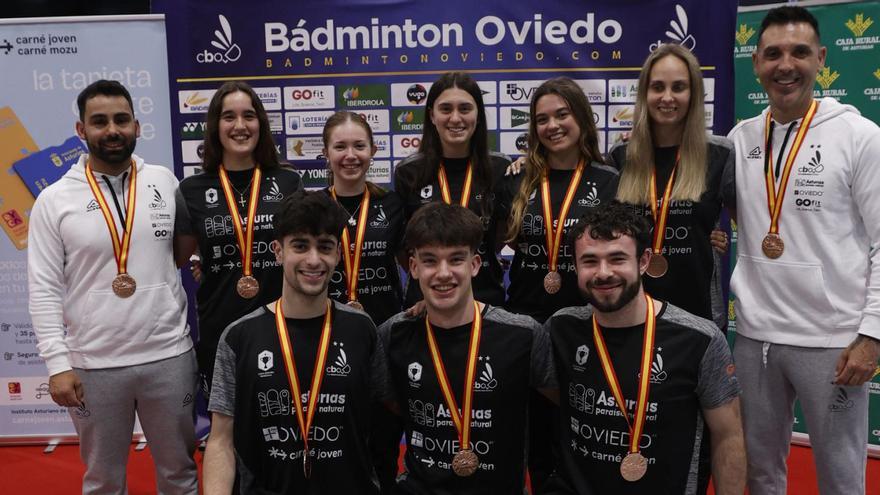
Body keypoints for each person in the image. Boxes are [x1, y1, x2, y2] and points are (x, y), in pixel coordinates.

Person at [724, 6, 880, 494]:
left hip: (833, 342)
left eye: (798, 52)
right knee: (760, 471)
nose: (785, 65)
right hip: (753, 339)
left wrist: (871, 334)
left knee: (840, 474)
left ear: (821, 58)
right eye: (772, 53)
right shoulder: (739, 138)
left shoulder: (860, 137)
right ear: (756, 63)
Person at [28, 79, 198, 494]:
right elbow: (45, 287)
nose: (112, 130)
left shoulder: (164, 181)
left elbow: (176, 255)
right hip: (93, 364)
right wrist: (57, 364)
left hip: (169, 355)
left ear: (137, 127)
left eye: (121, 120)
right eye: (99, 121)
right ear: (81, 130)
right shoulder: (54, 200)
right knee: (103, 480)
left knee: (179, 472)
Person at [544, 201, 745, 494]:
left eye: (617, 259)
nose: (603, 273)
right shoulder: (561, 329)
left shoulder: (698, 339)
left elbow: (729, 435)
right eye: (589, 261)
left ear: (643, 261)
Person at [203, 190, 390, 494]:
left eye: (325, 247)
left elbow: (385, 417)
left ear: (338, 255)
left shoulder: (362, 329)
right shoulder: (239, 337)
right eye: (300, 246)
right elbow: (221, 440)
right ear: (278, 251)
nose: (314, 260)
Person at [378, 202, 556, 494]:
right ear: (413, 267)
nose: (443, 273)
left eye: (456, 259)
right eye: (430, 261)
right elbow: (386, 416)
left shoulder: (523, 334)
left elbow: (561, 415)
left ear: (474, 264)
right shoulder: (394, 333)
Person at [177, 80, 302, 395]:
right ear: (215, 126)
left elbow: (302, 249)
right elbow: (180, 255)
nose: (240, 125)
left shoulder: (288, 182)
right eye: (229, 116)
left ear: (260, 122)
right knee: (228, 428)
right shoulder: (191, 189)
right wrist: (203, 260)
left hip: (281, 324)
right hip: (220, 325)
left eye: (249, 115)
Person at [608, 44, 733, 330]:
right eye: (657, 87)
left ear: (693, 94)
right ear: (645, 94)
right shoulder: (621, 155)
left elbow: (750, 223)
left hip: (698, 313)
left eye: (678, 87)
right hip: (630, 310)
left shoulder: (721, 153)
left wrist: (718, 237)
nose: (667, 97)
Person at [501, 77, 620, 324]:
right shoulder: (518, 178)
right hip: (525, 314)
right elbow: (508, 239)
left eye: (562, 115)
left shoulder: (609, 181)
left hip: (587, 318)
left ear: (581, 117)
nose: (552, 125)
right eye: (542, 120)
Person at [394, 71, 511, 308]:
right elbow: (402, 245)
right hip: (425, 302)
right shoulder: (409, 171)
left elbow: (501, 236)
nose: (455, 118)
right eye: (446, 109)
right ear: (432, 116)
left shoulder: (500, 168)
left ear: (478, 115)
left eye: (465, 109)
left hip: (485, 298)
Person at [320, 111, 405, 326]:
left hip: (385, 324)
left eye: (359, 146)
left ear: (372, 151)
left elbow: (412, 263)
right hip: (327, 324)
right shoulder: (314, 206)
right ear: (326, 153)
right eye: (340, 147)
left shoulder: (393, 204)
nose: (350, 155)